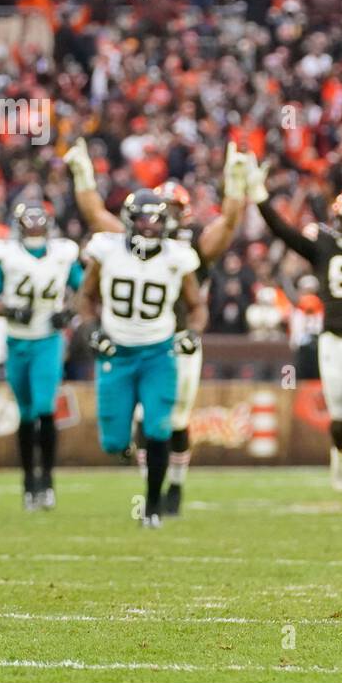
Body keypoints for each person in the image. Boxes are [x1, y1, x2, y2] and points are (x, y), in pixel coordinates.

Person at [64, 139, 245, 514]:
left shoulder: (189, 248)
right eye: (154, 211)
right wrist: (82, 176)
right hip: (129, 341)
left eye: (172, 210)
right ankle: (153, 487)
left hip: (174, 343)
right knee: (139, 426)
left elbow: (227, 223)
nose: (157, 220)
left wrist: (237, 185)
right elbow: (97, 216)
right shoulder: (118, 245)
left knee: (171, 421)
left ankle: (167, 490)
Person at [247, 165, 342, 512]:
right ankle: (341, 450)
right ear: (334, 220)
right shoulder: (323, 247)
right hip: (335, 341)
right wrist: (260, 197)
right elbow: (284, 232)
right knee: (341, 421)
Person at [77, 189, 207, 528]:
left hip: (158, 352)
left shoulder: (178, 256)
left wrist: (192, 333)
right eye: (142, 219)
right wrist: (92, 331)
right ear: (128, 221)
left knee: (159, 427)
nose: (149, 227)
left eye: (156, 220)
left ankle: (152, 505)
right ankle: (129, 459)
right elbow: (86, 297)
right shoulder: (107, 250)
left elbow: (196, 307)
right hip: (117, 353)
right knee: (114, 441)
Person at [0, 203, 83, 509]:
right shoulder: (6, 255)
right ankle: (29, 481)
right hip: (16, 341)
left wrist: (68, 313)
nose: (36, 230)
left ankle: (47, 481)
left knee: (44, 406)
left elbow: (86, 289)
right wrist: (8, 310)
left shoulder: (63, 254)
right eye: (31, 225)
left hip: (48, 340)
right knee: (25, 413)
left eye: (40, 224)